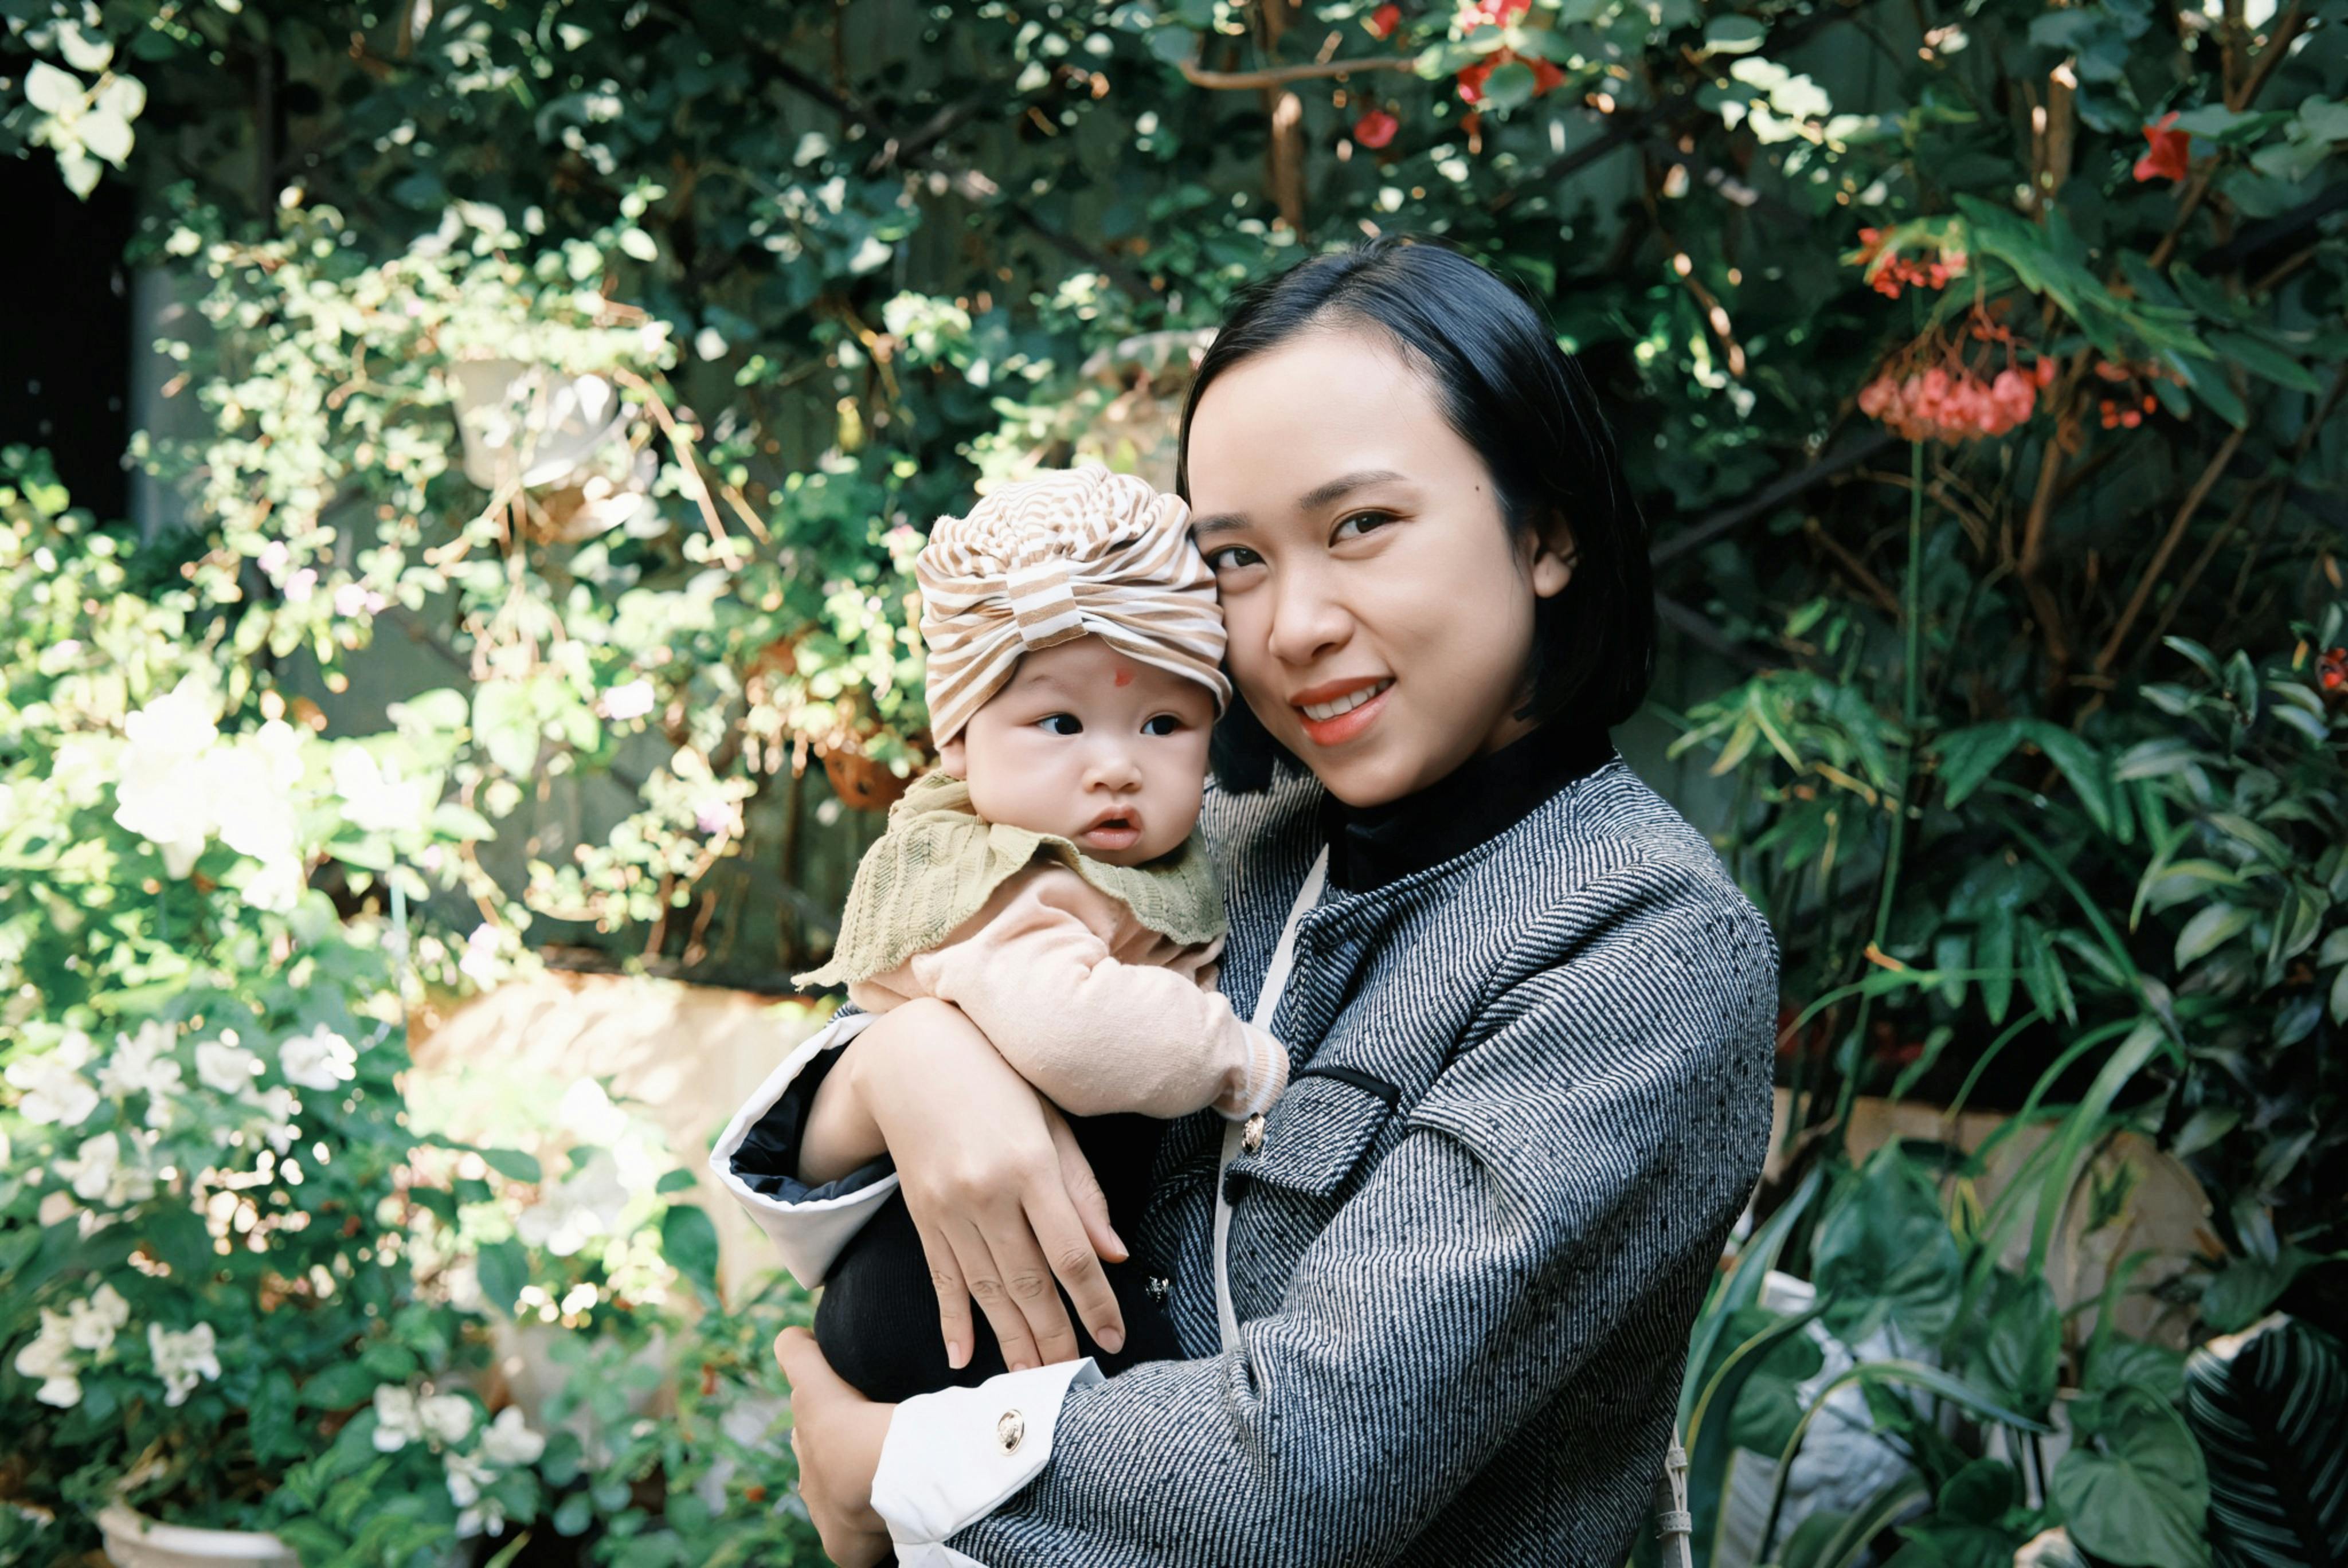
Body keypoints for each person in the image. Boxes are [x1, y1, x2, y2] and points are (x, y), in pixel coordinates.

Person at [714, 236, 1779, 1567]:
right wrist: (907, 1060)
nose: (1291, 627)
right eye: (1234, 559)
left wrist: (880, 1463)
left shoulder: (1640, 946)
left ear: (1546, 531)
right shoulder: (1218, 842)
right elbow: (840, 1134)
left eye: (1359, 527)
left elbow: (1304, 1469)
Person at [720, 465, 1288, 1405]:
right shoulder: (1000, 874)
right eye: (1060, 722)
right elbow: (1077, 1027)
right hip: (942, 1283)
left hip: (1009, 1246)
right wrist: (1242, 1061)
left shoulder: (1130, 861)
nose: (1116, 767)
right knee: (1161, 1397)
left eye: (1163, 724)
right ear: (957, 740)